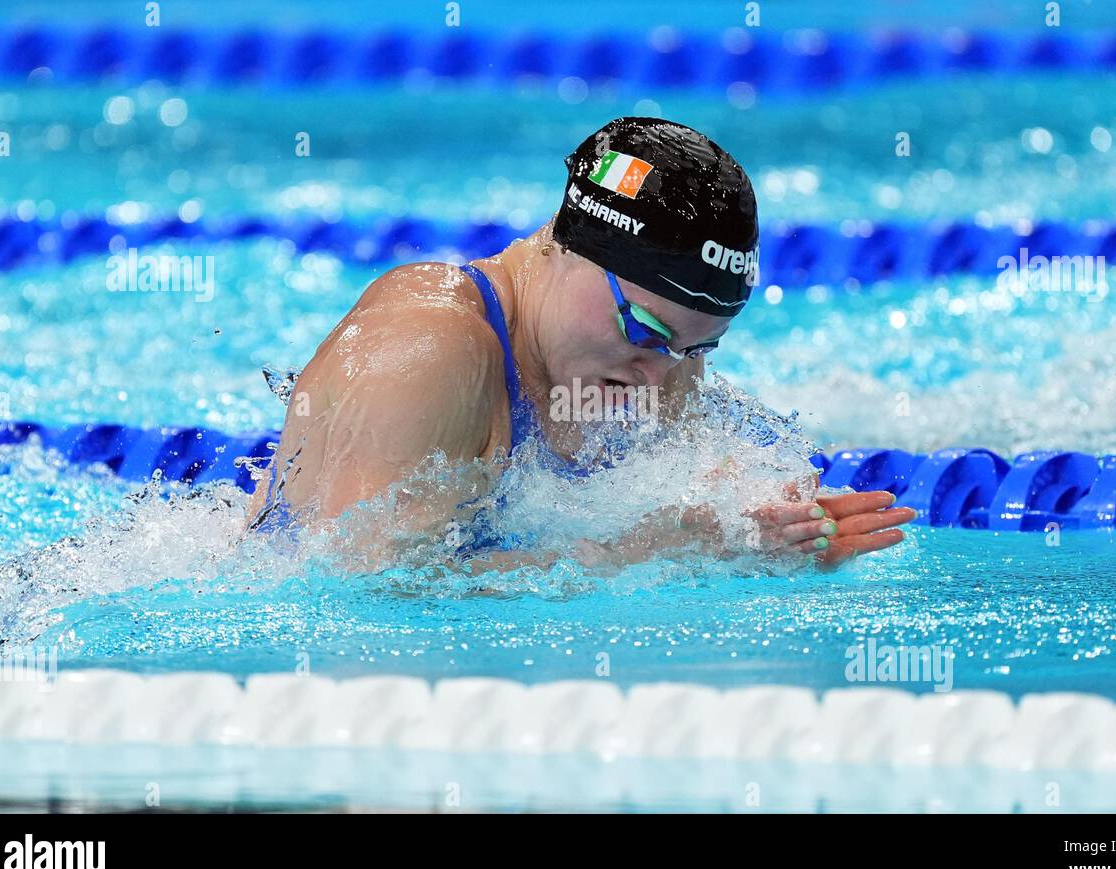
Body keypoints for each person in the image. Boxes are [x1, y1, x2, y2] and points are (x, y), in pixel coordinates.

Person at [247, 116, 914, 568]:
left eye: (696, 350)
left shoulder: (657, 362)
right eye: (644, 329)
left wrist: (766, 534)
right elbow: (361, 595)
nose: (661, 379)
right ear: (565, 247)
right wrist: (664, 548)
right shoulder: (429, 347)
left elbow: (706, 505)